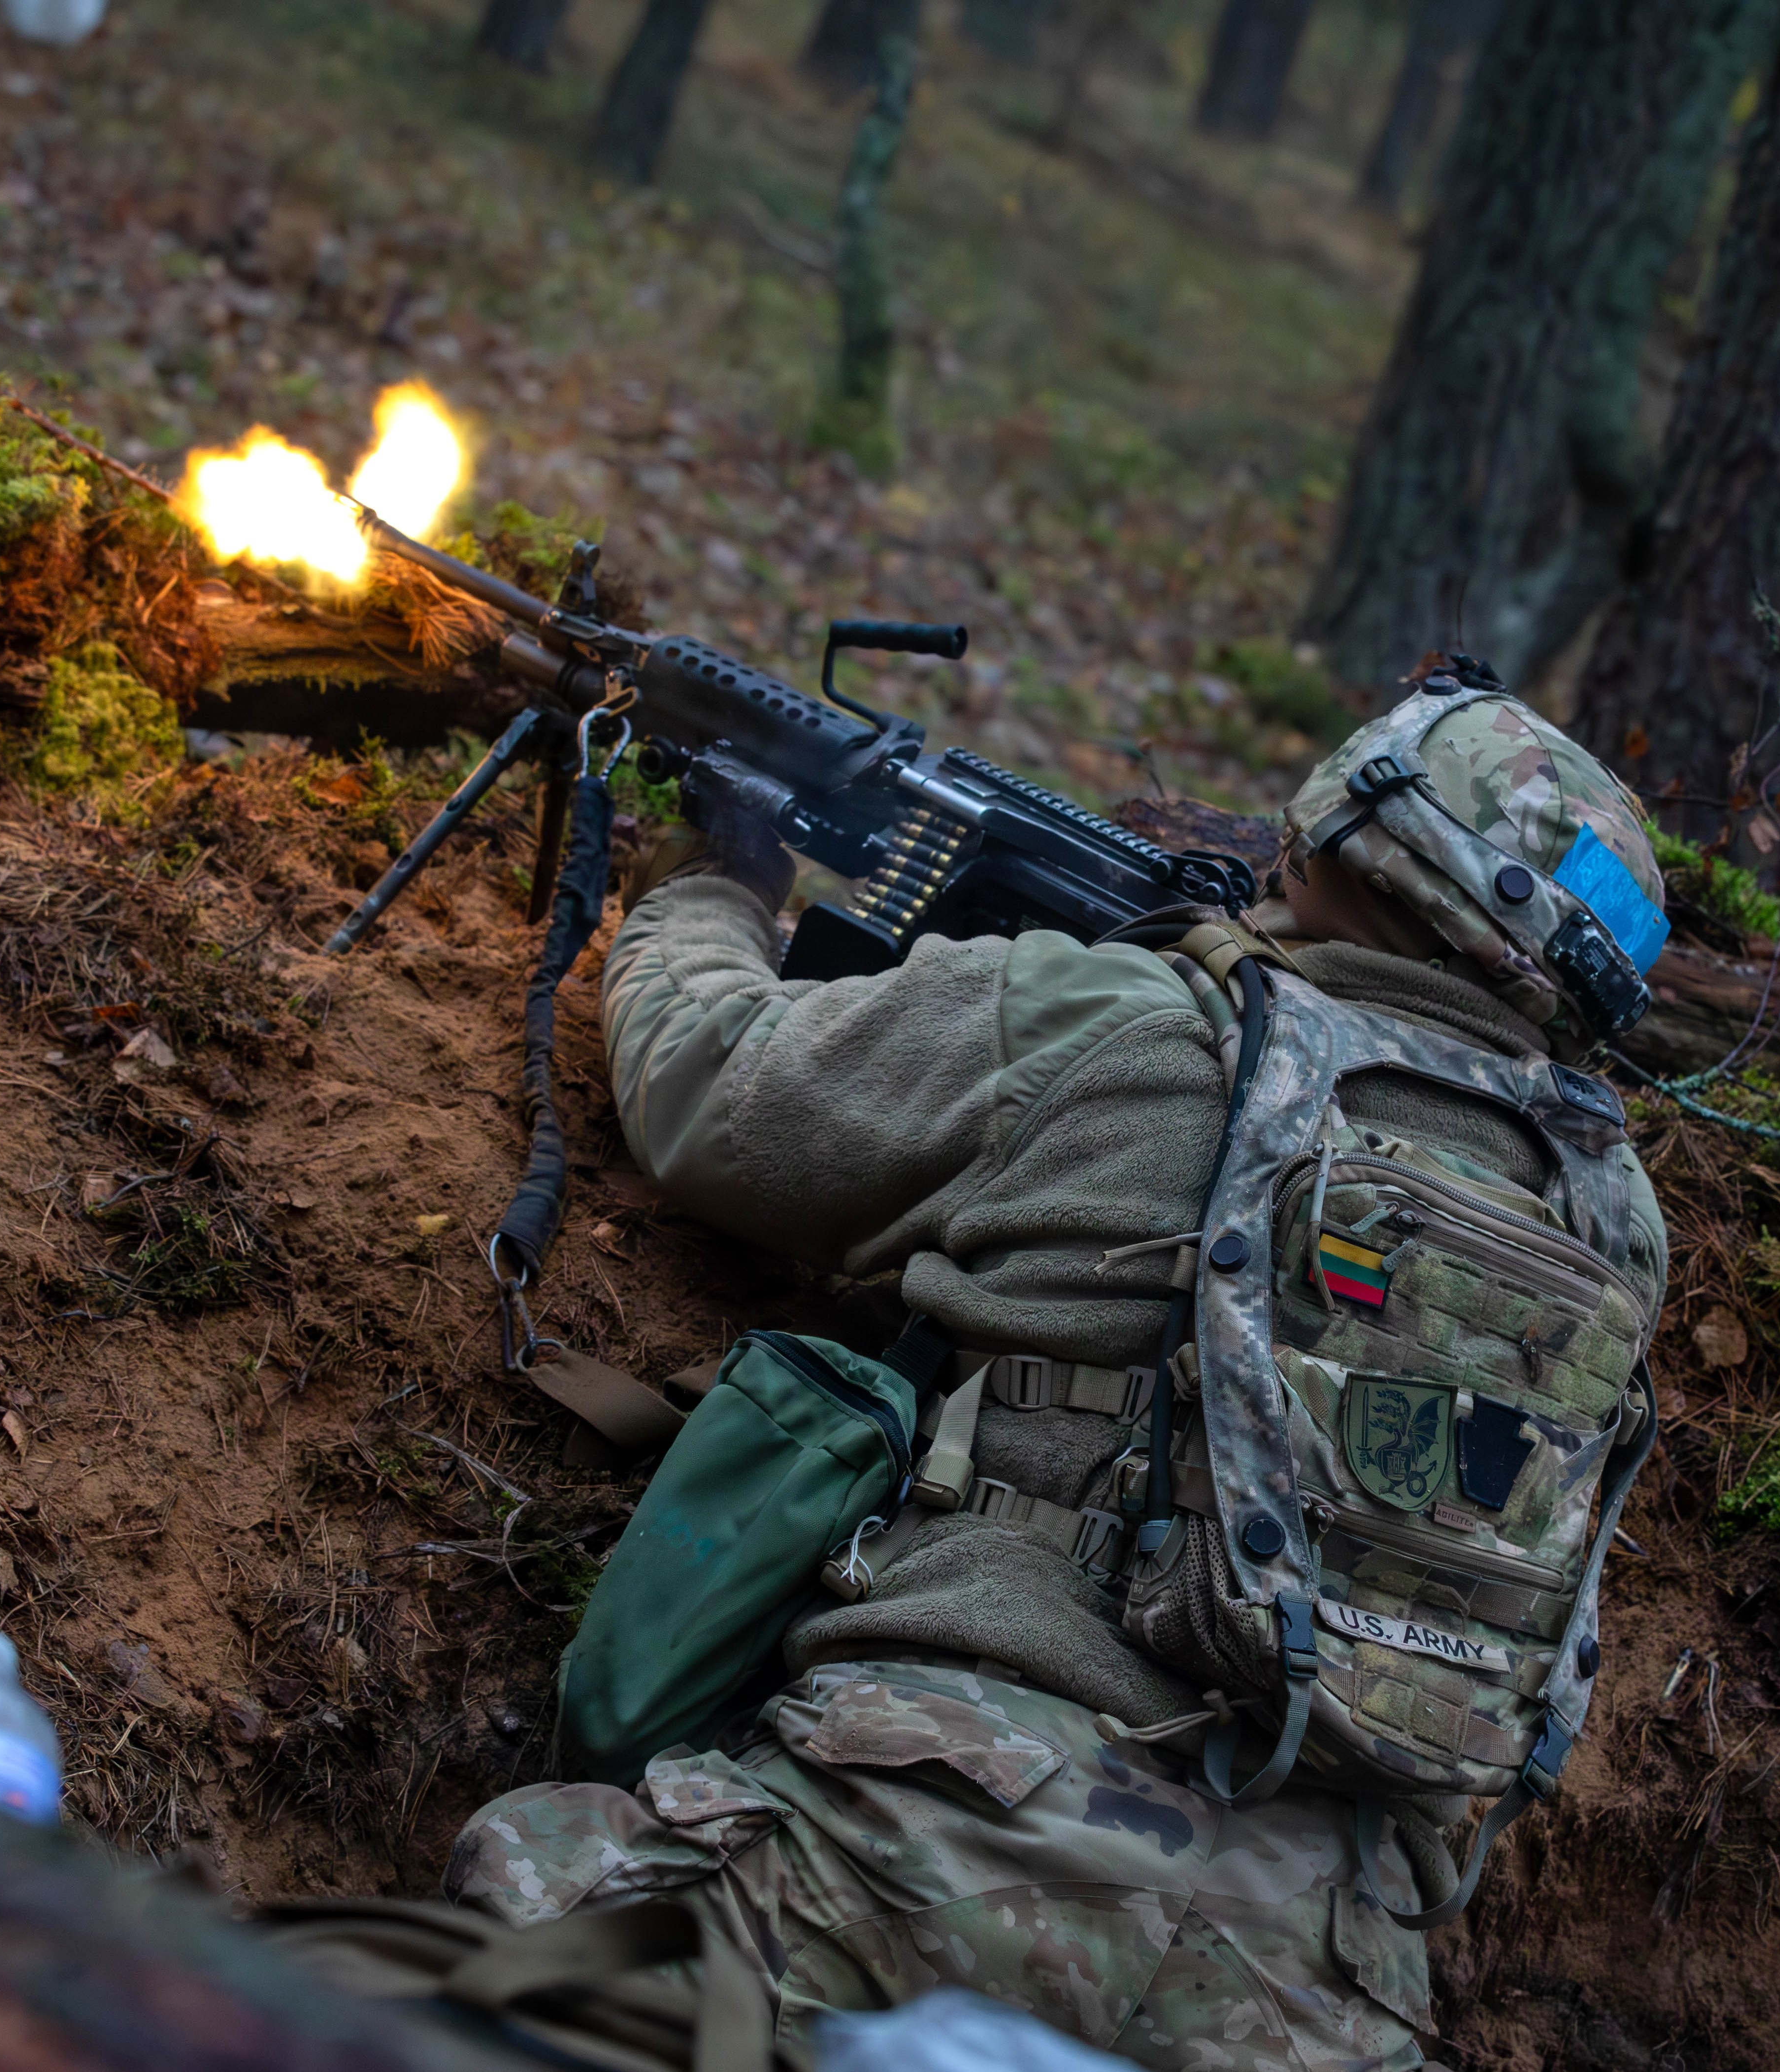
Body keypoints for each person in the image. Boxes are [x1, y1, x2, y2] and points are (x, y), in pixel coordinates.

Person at [445, 670, 1673, 2072]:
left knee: (519, 1938)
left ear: (1346, 833)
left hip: (924, 1845)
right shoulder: (1614, 1225)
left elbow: (706, 1082)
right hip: (1323, 1975)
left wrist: (713, 885)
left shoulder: (1130, 1021)